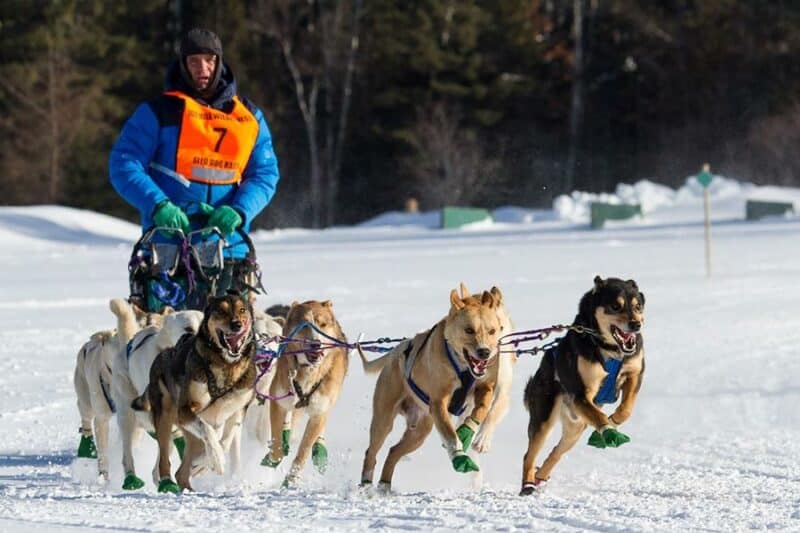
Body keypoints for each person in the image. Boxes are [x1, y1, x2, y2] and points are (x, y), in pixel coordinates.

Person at [109, 28, 279, 311]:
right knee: (166, 345)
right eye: (194, 61)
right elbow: (123, 163)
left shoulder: (248, 117)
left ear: (220, 62)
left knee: (228, 346)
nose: (203, 68)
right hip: (168, 247)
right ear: (183, 64)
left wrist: (239, 210)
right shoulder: (158, 112)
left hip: (228, 248)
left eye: (210, 60)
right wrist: (158, 205)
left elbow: (265, 174)